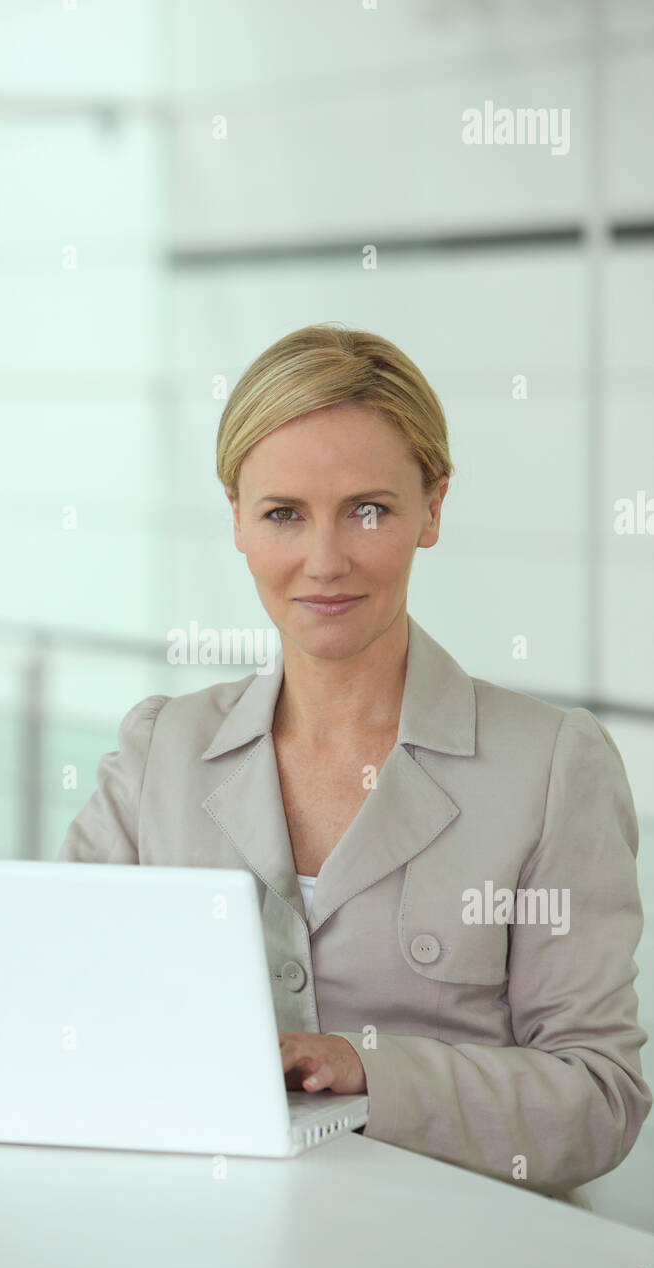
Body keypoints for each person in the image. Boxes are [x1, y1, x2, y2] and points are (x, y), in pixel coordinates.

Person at [57, 323, 651, 1210]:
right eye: (284, 513)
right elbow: (59, 1005)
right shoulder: (158, 752)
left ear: (433, 509)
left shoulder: (554, 766)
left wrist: (367, 1071)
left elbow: (599, 1099)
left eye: (368, 510)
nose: (325, 561)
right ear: (237, 520)